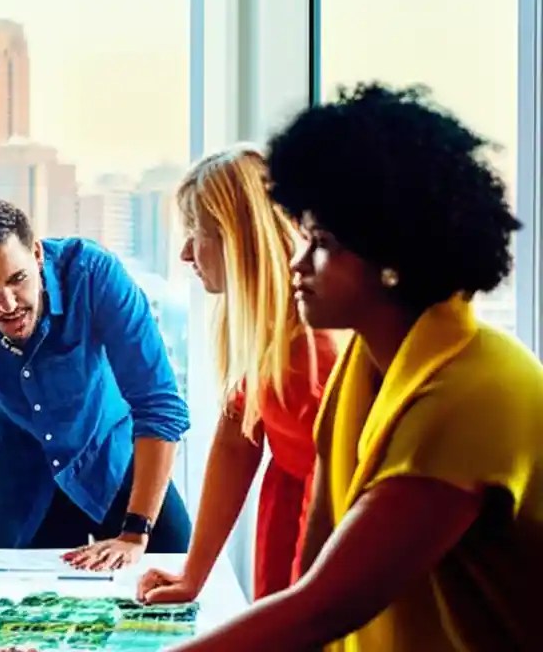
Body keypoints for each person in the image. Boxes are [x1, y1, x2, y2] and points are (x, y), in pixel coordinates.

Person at [168, 84, 542, 651]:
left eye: (321, 242)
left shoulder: (473, 391)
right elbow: (314, 574)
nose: (295, 258)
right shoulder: (361, 371)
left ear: (389, 255)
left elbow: (322, 609)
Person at [85, 148, 337, 601]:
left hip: (325, 540)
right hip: (288, 520)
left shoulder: (314, 352)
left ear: (239, 239)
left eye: (197, 233)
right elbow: (235, 443)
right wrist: (192, 577)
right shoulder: (266, 336)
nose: (185, 253)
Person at [0, 198, 193, 575]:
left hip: (116, 465)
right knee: (30, 622)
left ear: (36, 254)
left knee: (174, 602)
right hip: (18, 491)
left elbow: (159, 404)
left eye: (17, 279)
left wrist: (135, 533)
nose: (8, 304)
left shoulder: (94, 273)